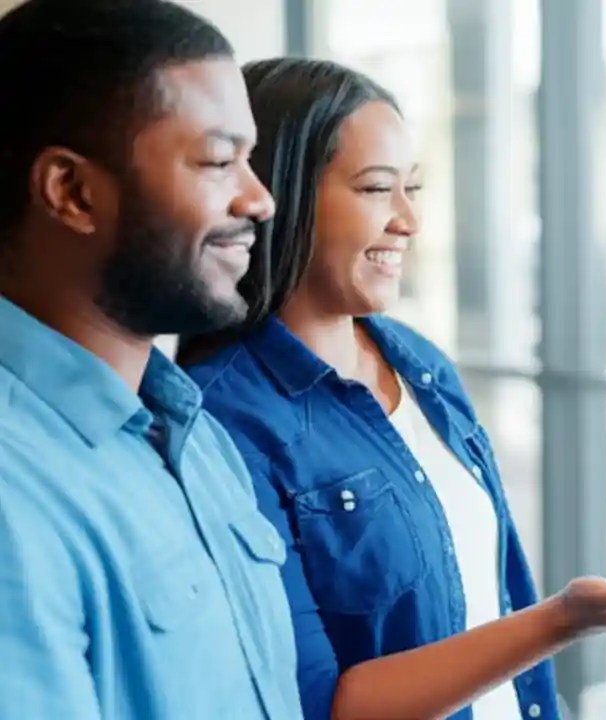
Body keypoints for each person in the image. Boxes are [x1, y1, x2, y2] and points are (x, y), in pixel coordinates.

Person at [178, 57, 606, 720]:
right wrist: (561, 620)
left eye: (412, 188)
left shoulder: (417, 361)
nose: (408, 220)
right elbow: (320, 705)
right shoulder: (221, 420)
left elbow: (485, 599)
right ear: (278, 194)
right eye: (376, 188)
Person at [0, 1, 304, 719]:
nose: (260, 199)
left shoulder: (192, 435)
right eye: (219, 161)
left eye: (250, 159)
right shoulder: (15, 494)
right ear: (72, 193)